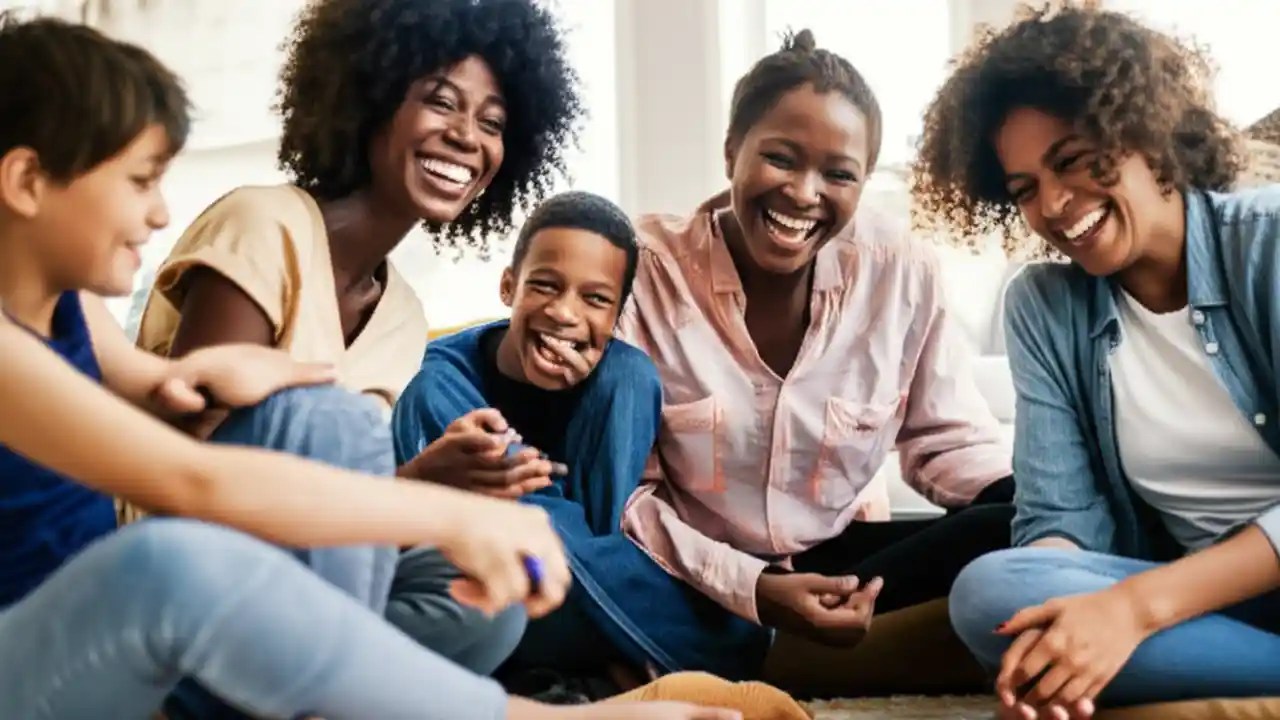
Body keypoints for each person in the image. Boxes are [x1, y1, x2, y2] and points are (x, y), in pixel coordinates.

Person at [0, 14, 742, 720]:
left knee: (469, 584)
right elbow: (185, 479)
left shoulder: (71, 307)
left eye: (491, 121)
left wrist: (239, 375)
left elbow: (160, 388)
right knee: (194, 540)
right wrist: (447, 511)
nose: (163, 214)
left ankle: (326, 701)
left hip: (134, 613)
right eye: (140, 182)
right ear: (27, 181)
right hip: (98, 613)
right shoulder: (262, 229)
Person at [129, 0, 586, 704]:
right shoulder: (265, 223)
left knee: (487, 605)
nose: (467, 137)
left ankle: (313, 692)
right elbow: (189, 465)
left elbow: (332, 526)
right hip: (190, 575)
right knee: (320, 418)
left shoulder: (402, 314)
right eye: (441, 102)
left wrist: (422, 481)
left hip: (294, 592)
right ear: (371, 96)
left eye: (492, 123)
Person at [911, 5, 1280, 718]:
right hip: (1199, 612)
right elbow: (1060, 524)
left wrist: (1134, 611)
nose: (1053, 204)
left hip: (1173, 604)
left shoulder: (1266, 245)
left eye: (1074, 161)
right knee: (991, 593)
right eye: (1023, 189)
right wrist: (1062, 625)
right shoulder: (1045, 308)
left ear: (1144, 132)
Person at [615, 28, 1014, 669]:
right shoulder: (645, 270)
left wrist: (1027, 507)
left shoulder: (901, 271)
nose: (804, 193)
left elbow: (950, 439)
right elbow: (626, 495)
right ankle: (768, 647)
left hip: (843, 567)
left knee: (1015, 526)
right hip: (690, 571)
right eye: (780, 158)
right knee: (591, 561)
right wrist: (755, 590)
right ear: (731, 153)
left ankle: (783, 650)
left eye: (838, 174)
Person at [392, 191, 769, 699]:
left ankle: (590, 659)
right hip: (487, 587)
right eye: (545, 286)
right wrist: (755, 594)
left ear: (617, 314)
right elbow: (534, 539)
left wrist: (586, 398)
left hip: (574, 598)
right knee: (545, 537)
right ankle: (745, 650)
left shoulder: (618, 378)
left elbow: (606, 534)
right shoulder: (440, 386)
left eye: (595, 299)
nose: (565, 313)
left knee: (628, 376)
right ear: (509, 287)